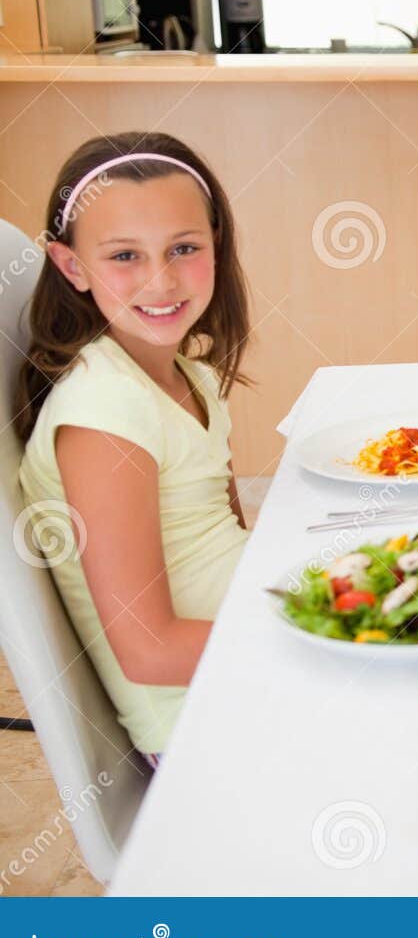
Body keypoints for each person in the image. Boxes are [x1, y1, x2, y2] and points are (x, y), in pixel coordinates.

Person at [16, 133, 251, 761]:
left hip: (252, 666)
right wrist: (322, 633)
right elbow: (149, 650)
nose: (162, 279)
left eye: (183, 247)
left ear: (215, 245)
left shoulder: (191, 376)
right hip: (205, 723)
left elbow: (232, 538)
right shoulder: (104, 409)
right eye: (124, 255)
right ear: (71, 267)